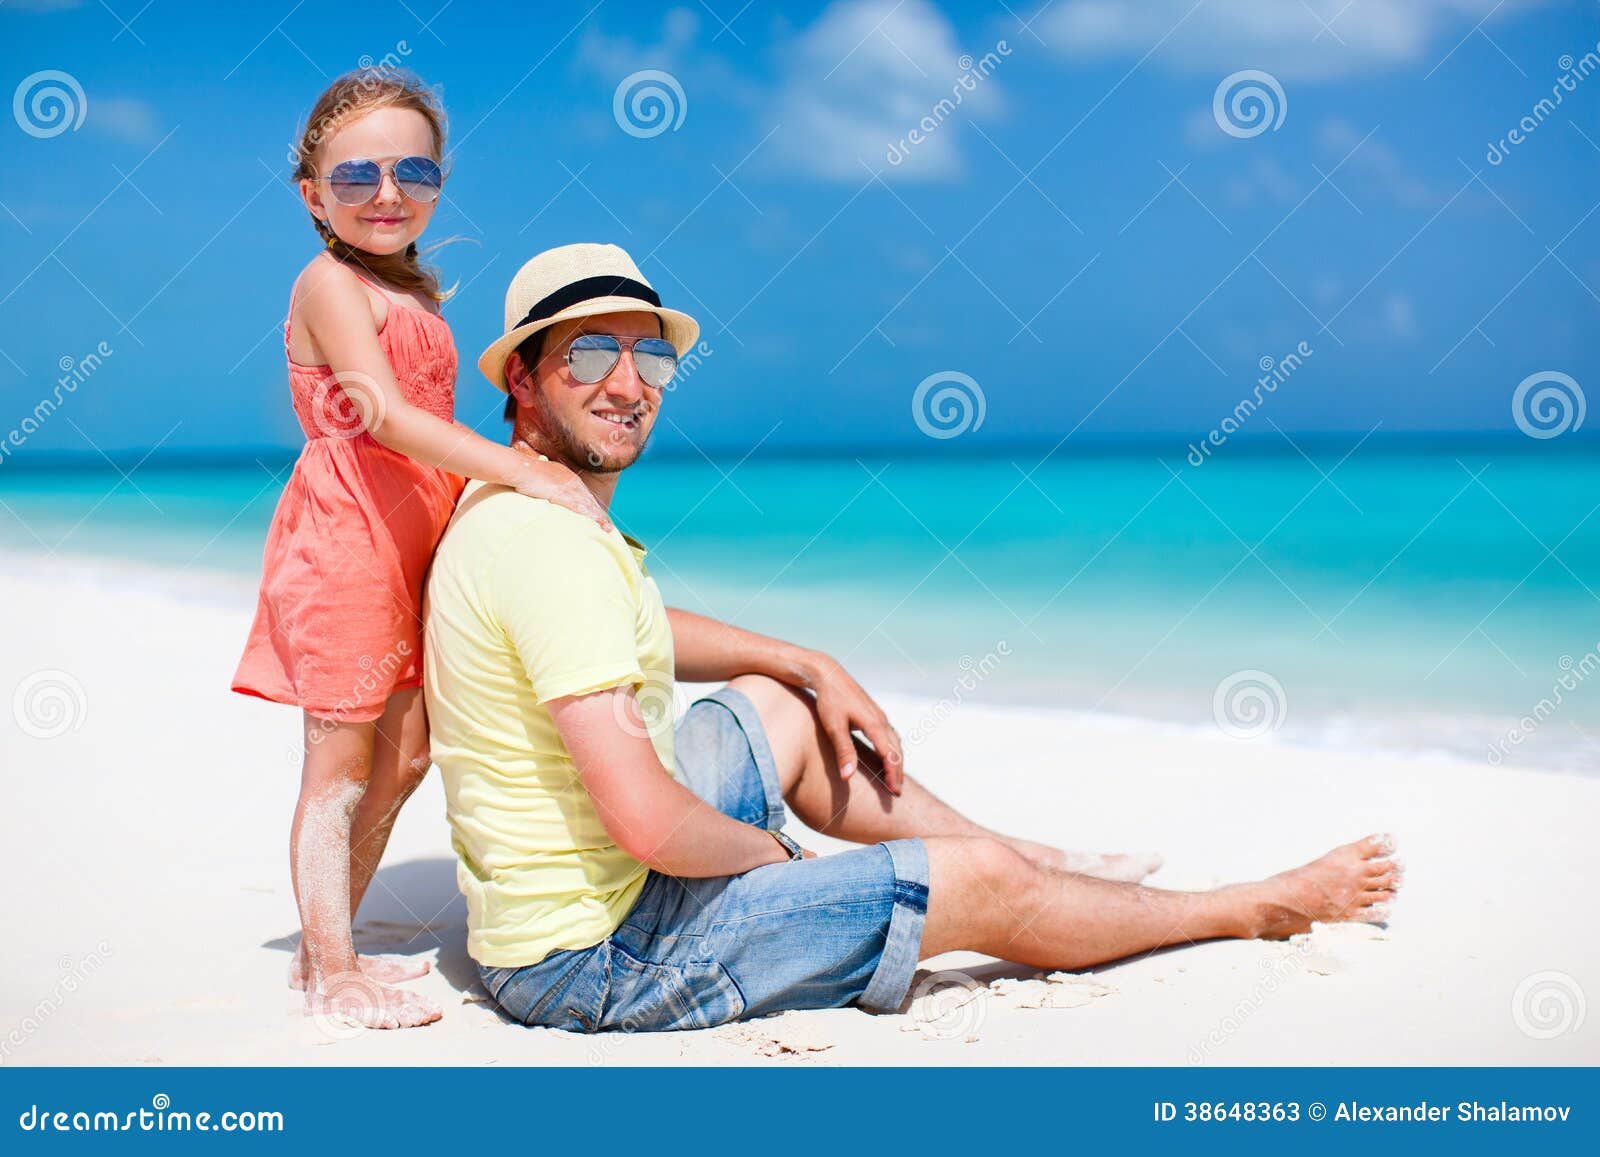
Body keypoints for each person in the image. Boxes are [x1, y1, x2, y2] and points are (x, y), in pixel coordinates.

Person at [423, 242, 1402, 1033]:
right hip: (599, 959)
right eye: (590, 351)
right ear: (522, 374)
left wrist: (804, 658)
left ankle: (1026, 853)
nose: (628, 381)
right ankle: (1237, 904)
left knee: (783, 708)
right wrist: (778, 856)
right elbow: (645, 820)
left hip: (577, 903)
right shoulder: (550, 544)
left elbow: (621, 632)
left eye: (651, 353)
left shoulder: (526, 505)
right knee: (970, 889)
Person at [231, 71, 610, 1031]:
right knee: (343, 760)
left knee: (407, 755)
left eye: (413, 170)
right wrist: (533, 471)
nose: (387, 193)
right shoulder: (326, 281)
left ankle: (334, 940)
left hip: (417, 537)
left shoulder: (413, 288)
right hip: (349, 537)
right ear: (312, 194)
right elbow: (386, 414)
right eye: (355, 174)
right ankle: (330, 968)